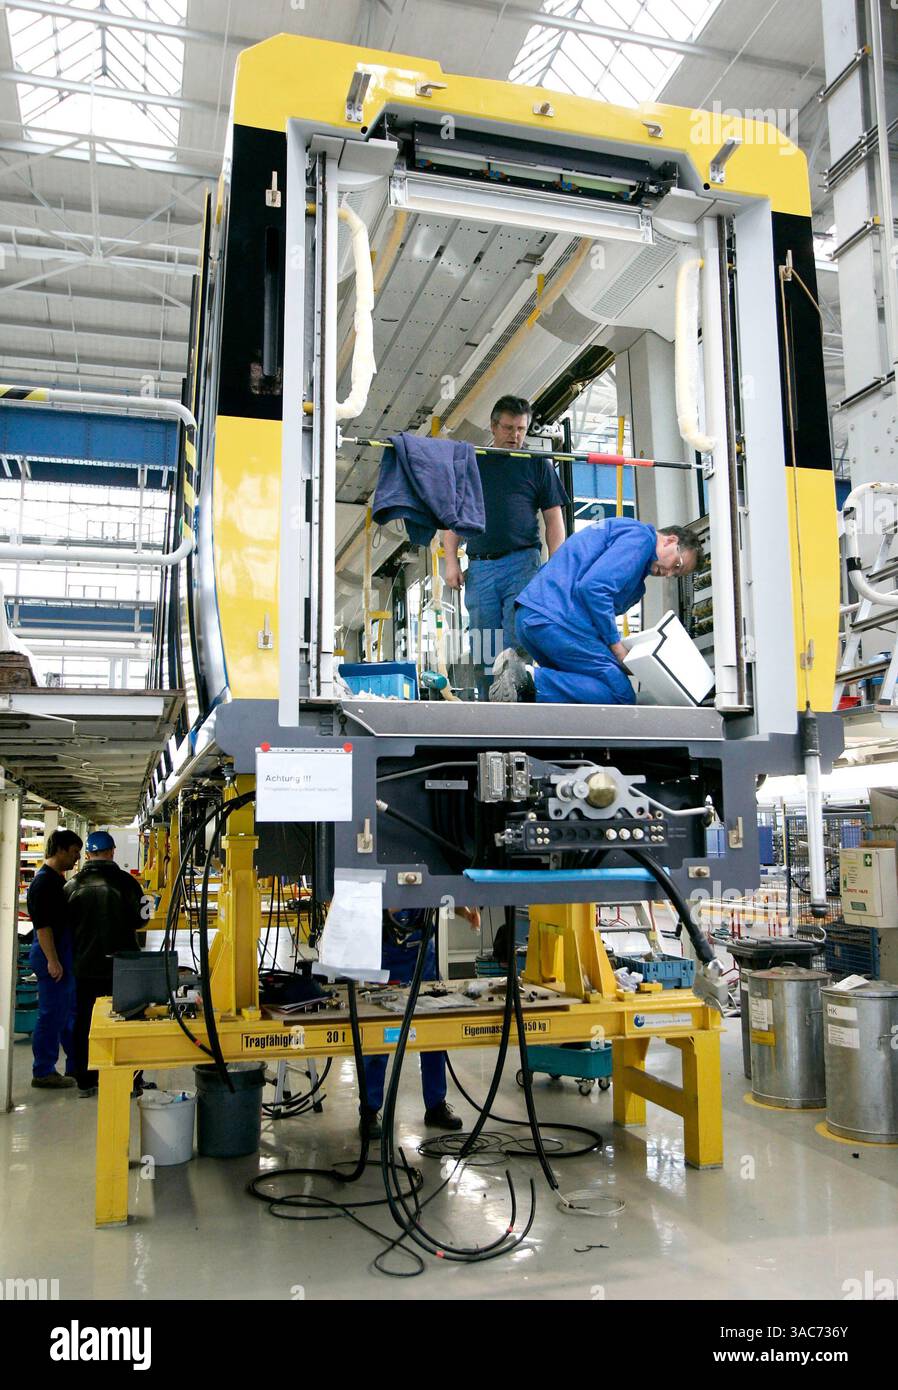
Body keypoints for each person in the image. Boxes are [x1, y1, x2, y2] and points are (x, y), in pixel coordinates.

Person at [490, 517, 703, 704]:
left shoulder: (631, 561)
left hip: (533, 616)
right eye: (677, 565)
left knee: (585, 688)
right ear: (670, 540)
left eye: (676, 574)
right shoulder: (641, 539)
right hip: (558, 620)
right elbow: (595, 588)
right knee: (620, 695)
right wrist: (617, 648)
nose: (668, 574)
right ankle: (526, 681)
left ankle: (527, 687)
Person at [443, 395, 568, 683]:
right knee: (484, 648)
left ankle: (519, 713)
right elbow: (453, 519)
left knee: (519, 642)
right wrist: (451, 561)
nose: (515, 436)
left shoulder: (537, 465)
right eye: (509, 428)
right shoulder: (474, 464)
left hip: (522, 564)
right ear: (494, 426)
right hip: (481, 568)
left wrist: (557, 567)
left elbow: (554, 521)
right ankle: (488, 713)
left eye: (521, 429)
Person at [360, 907, 479, 1138]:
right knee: (377, 1037)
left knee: (433, 1033)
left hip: (422, 956)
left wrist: (465, 913)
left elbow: (440, 891)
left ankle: (435, 1105)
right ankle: (369, 1110)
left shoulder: (423, 870)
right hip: (385, 954)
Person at [65, 830, 145, 1097]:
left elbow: (63, 926)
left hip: (84, 967)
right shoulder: (129, 883)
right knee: (127, 1019)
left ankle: (85, 1080)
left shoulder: (71, 886)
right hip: (123, 965)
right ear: (112, 852)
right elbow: (143, 919)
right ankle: (130, 1081)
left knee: (85, 1022)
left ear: (87, 854)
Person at [26, 828, 83, 1089]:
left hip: (60, 953)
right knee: (51, 1015)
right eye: (73, 852)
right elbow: (43, 927)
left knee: (65, 1013)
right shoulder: (44, 883)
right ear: (60, 850)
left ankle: (75, 1065)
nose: (76, 858)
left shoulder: (56, 879)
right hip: (51, 954)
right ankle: (43, 1071)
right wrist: (52, 960)